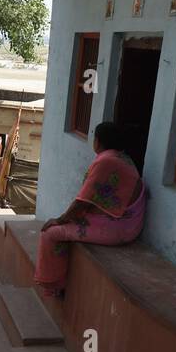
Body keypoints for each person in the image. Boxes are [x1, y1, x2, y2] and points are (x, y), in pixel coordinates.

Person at [34, 121, 146, 298]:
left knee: (50, 233)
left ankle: (54, 285)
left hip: (120, 228)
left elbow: (82, 202)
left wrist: (60, 219)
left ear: (98, 141)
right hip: (126, 223)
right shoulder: (120, 157)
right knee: (64, 225)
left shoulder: (106, 162)